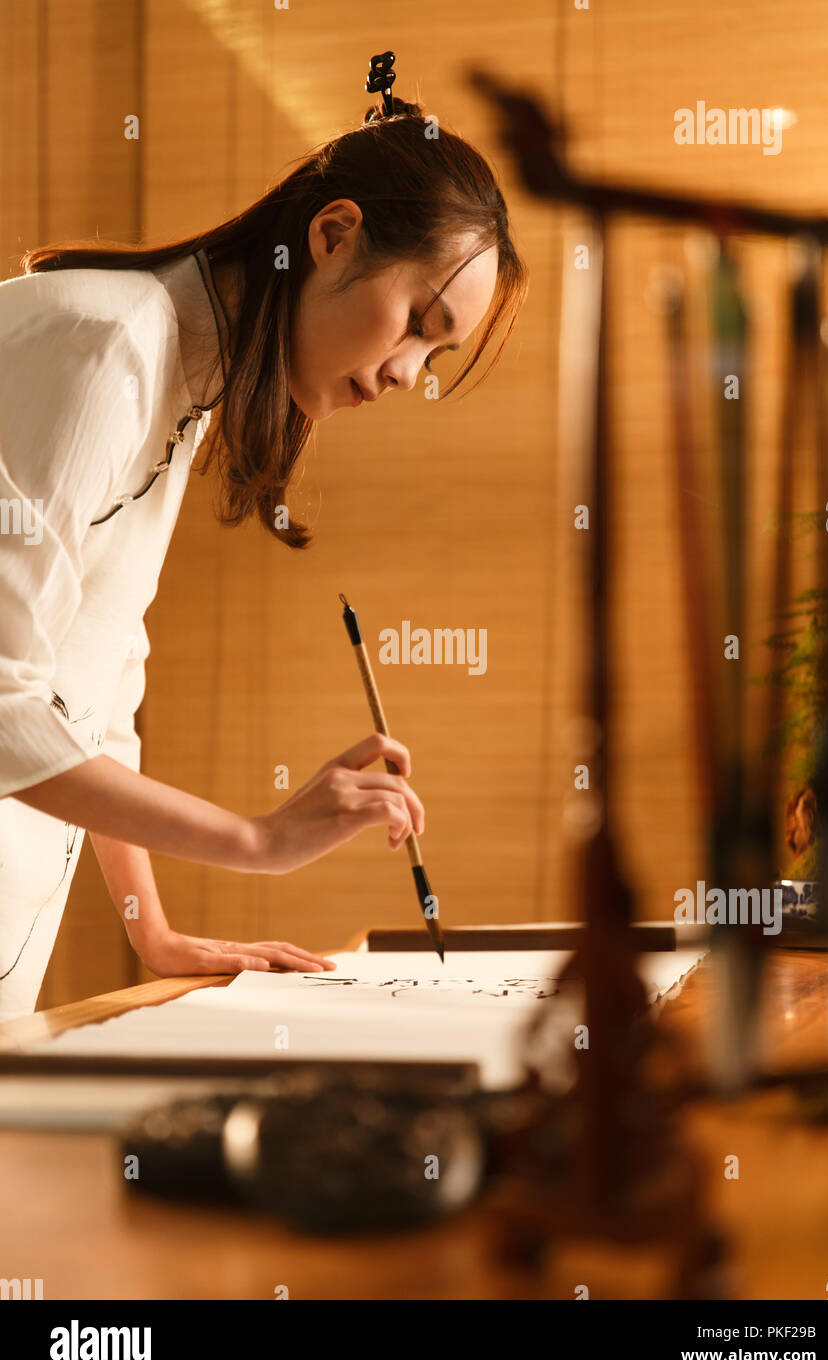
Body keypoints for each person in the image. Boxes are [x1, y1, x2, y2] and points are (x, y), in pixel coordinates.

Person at [0, 92, 528, 1019]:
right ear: (333, 235)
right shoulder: (109, 346)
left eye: (434, 357)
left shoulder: (178, 381)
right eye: (419, 319)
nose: (407, 374)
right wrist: (257, 840)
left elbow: (98, 681)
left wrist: (153, 931)